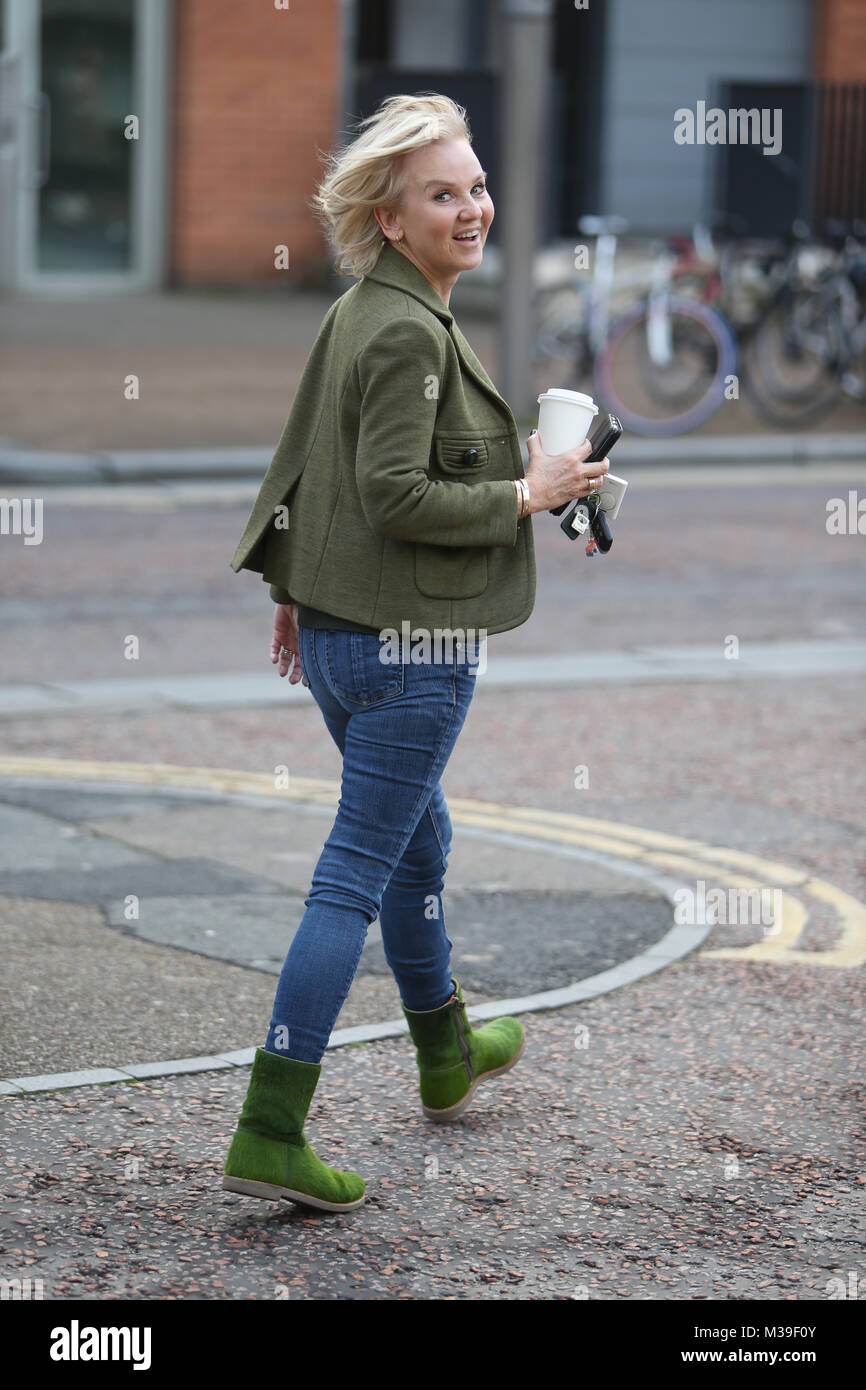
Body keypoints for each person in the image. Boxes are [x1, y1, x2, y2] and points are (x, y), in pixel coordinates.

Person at [222, 93, 609, 1213]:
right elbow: (392, 491)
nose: (471, 207)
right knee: (353, 871)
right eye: (442, 194)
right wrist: (526, 493)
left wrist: (294, 588)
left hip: (344, 637)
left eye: (476, 186)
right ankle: (270, 1122)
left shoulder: (369, 310)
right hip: (412, 648)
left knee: (413, 839)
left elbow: (309, 461)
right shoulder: (401, 329)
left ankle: (442, 1045)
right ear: (390, 220)